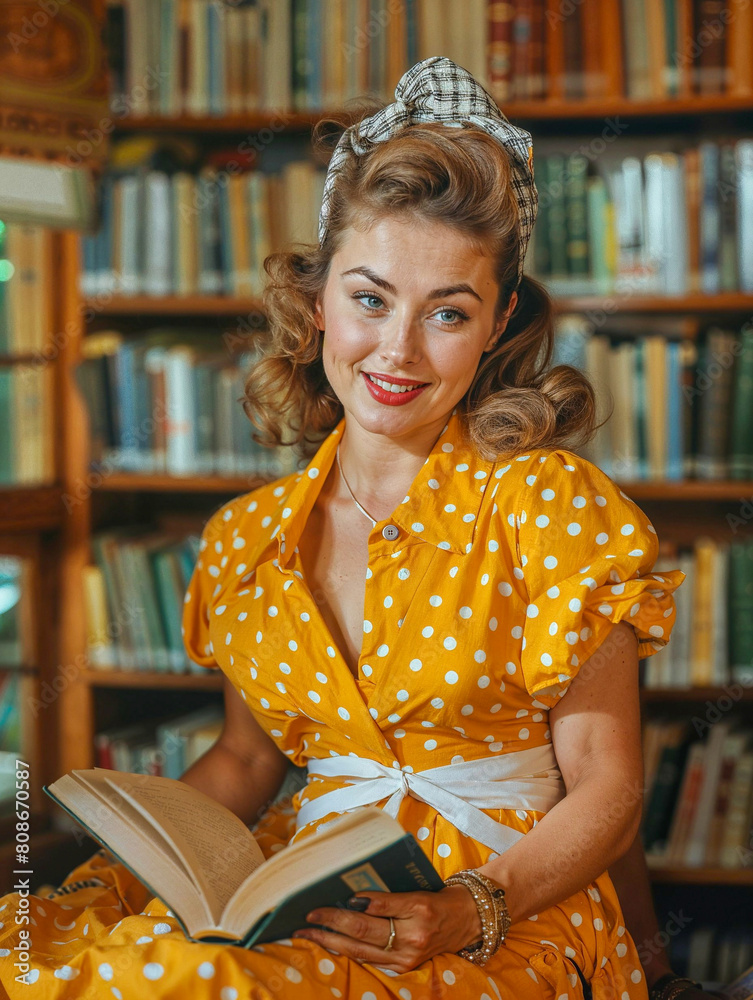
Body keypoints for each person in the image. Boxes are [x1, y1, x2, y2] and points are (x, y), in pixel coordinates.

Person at [0, 56, 716, 1000]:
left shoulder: (546, 503)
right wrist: (127, 867)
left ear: (498, 320)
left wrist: (470, 905)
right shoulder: (244, 537)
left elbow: (608, 791)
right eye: (369, 298)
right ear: (317, 296)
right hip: (316, 890)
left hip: (511, 913)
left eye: (446, 313)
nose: (397, 351)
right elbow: (250, 761)